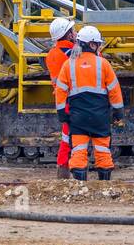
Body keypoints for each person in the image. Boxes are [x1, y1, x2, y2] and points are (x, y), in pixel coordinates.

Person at [53, 25, 125, 181]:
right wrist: (119, 112)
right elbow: (114, 90)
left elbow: (60, 91)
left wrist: (61, 114)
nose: (99, 46)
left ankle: (80, 186)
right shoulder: (103, 63)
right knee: (103, 151)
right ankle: (104, 184)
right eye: (97, 44)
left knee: (78, 151)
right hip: (100, 117)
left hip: (78, 118)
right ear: (92, 44)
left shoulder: (69, 64)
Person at [45, 17, 77, 179]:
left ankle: (63, 170)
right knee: (80, 138)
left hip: (62, 101)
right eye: (73, 30)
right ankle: (75, 171)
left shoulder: (51, 54)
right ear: (68, 35)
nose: (76, 32)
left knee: (67, 137)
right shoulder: (74, 54)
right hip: (76, 102)